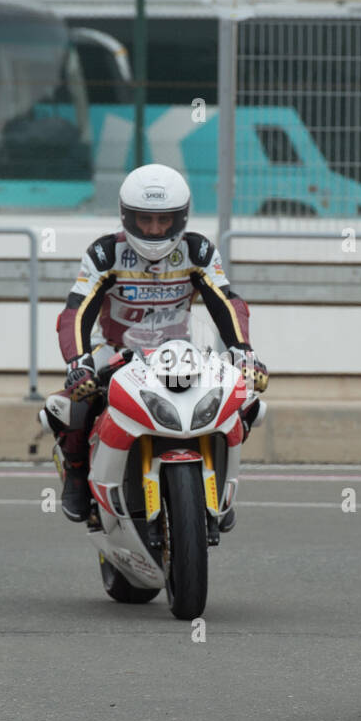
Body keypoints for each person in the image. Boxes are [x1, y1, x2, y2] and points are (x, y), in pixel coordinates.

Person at [48, 163, 268, 523]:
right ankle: (75, 473)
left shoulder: (198, 251)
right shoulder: (104, 254)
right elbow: (76, 311)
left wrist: (245, 353)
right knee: (77, 402)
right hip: (116, 351)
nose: (154, 229)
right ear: (126, 216)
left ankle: (218, 483)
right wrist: (78, 362)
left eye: (163, 220)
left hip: (182, 352)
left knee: (245, 400)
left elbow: (226, 300)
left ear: (181, 217)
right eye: (144, 219)